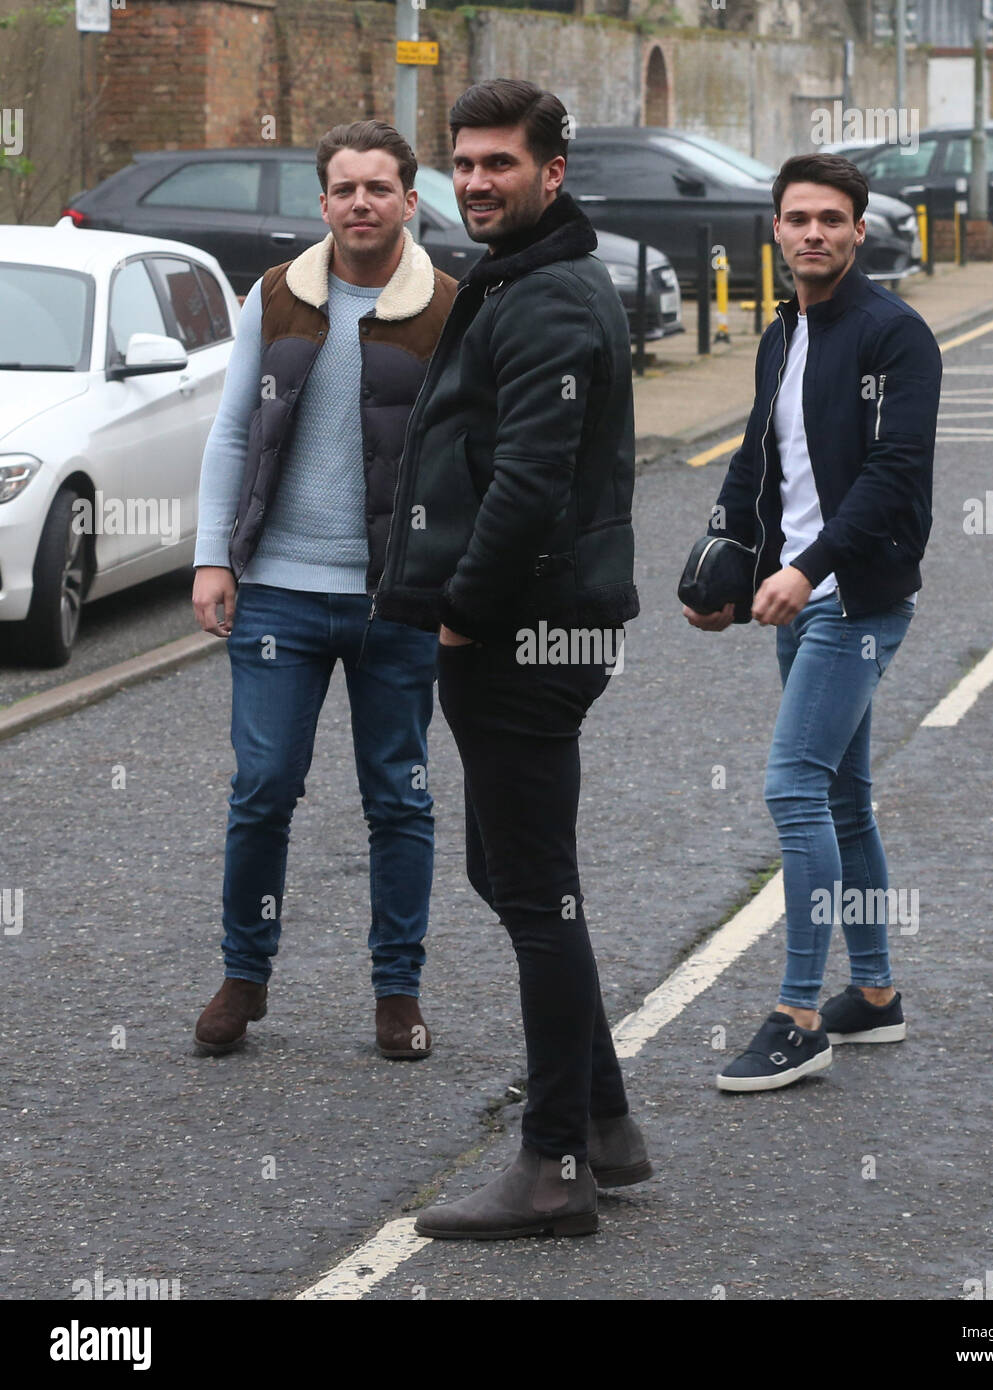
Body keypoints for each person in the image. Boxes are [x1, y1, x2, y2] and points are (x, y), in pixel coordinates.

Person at [378, 79, 650, 1239]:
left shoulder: (545, 299)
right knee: (510, 872)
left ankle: (552, 1167)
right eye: (465, 162)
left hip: (522, 633)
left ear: (552, 172)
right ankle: (605, 1123)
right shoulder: (527, 275)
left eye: (501, 163)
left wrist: (460, 614)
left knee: (537, 894)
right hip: (530, 625)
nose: (478, 181)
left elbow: (529, 485)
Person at [191, 121, 457, 1059]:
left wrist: (457, 585)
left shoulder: (448, 307)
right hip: (278, 591)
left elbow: (468, 458)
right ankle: (243, 976)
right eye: (344, 189)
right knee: (262, 789)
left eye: (378, 188)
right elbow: (232, 431)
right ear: (323, 203)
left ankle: (397, 991)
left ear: (409, 201)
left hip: (397, 599)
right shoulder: (276, 295)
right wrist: (213, 557)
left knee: (399, 796)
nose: (360, 203)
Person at [683, 153, 941, 1093]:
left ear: (858, 230)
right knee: (841, 798)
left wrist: (807, 570)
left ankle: (798, 1016)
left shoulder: (895, 336)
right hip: (798, 592)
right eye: (798, 218)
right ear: (777, 231)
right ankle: (871, 994)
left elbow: (891, 475)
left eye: (831, 219)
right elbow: (756, 461)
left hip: (855, 599)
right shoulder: (782, 331)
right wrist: (724, 564)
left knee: (794, 787)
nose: (813, 233)